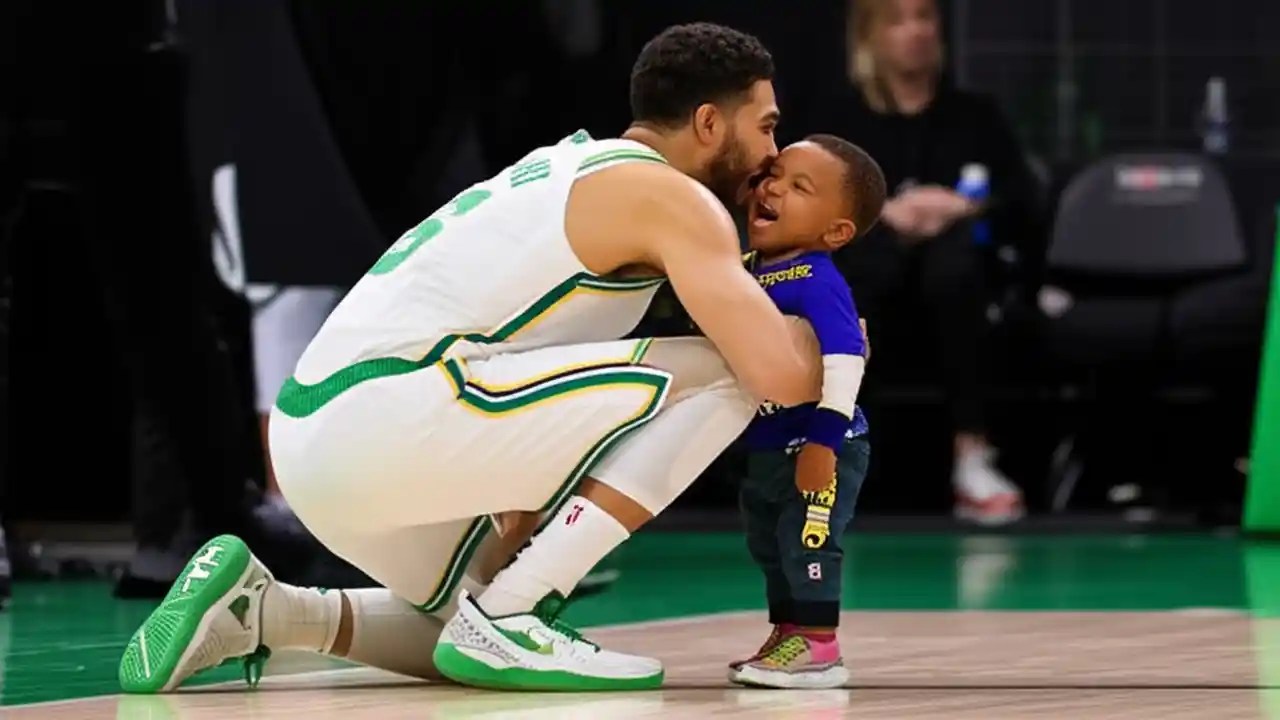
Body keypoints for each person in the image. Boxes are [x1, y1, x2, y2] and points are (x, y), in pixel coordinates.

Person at [118, 22, 821, 695]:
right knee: (726, 373)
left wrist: (524, 502)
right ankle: (514, 615)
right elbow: (778, 376)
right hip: (388, 409)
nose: (772, 151)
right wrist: (829, 331)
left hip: (324, 441)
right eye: (765, 125)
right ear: (707, 123)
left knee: (464, 626)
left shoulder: (563, 163)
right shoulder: (673, 199)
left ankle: (267, 612)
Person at [823, 0, 1042, 524]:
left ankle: (972, 455)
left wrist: (962, 206)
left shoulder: (975, 114)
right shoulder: (841, 116)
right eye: (898, 21)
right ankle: (832, 456)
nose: (915, 32)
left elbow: (1023, 198)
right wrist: (884, 212)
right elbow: (811, 199)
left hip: (956, 273)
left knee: (956, 264)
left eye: (924, 18)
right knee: (857, 276)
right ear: (871, 36)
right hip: (874, 261)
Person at [726, 136, 885, 688]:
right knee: (768, 542)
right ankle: (789, 630)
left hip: (819, 443)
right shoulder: (741, 269)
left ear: (837, 231)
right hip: (769, 444)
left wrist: (824, 442)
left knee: (808, 539)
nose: (772, 187)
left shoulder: (817, 281)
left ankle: (820, 647)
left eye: (799, 186)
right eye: (772, 174)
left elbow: (845, 361)